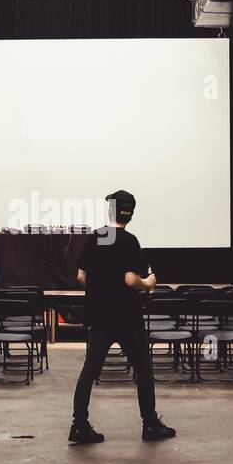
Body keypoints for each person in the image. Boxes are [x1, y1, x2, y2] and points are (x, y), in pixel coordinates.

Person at [69, 190, 176, 445]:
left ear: (110, 211)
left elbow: (81, 277)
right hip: (127, 317)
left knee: (90, 370)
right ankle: (150, 424)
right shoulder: (129, 241)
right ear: (131, 214)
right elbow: (130, 280)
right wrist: (148, 283)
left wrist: (101, 286)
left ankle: (79, 426)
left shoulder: (96, 237)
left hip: (99, 315)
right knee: (143, 369)